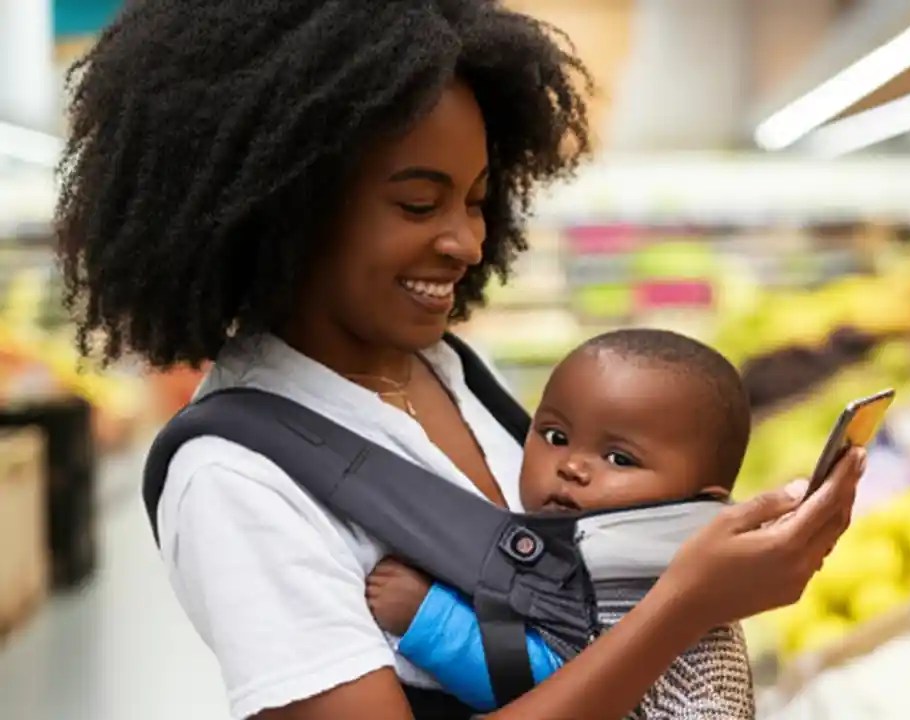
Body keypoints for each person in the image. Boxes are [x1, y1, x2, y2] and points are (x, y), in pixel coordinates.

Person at [55, 1, 865, 719]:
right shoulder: (235, 478)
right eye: (418, 203)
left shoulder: (448, 367)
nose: (468, 242)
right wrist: (686, 607)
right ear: (285, 204)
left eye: (478, 200)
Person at [366, 328, 755, 717]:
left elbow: (558, 684)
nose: (571, 466)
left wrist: (430, 618)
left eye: (619, 459)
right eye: (555, 436)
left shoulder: (640, 577)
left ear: (702, 500)